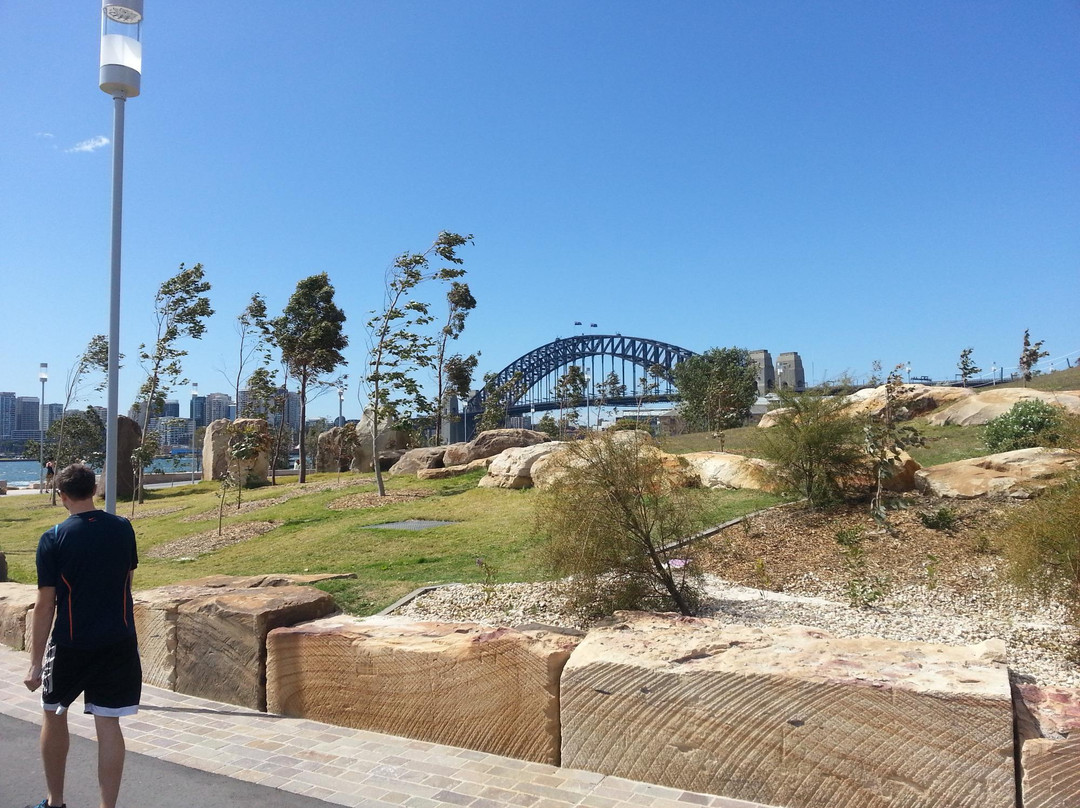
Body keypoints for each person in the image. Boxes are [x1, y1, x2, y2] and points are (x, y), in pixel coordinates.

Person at [23, 463, 141, 808]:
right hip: (119, 643)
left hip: (71, 644)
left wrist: (33, 665)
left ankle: (55, 802)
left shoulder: (54, 537)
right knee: (109, 725)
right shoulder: (122, 528)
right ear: (93, 490)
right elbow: (127, 582)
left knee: (54, 715)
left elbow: (45, 605)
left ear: (62, 496)